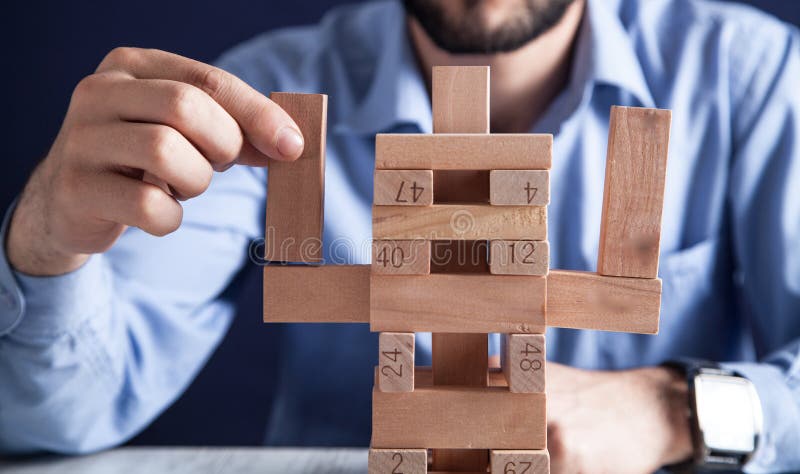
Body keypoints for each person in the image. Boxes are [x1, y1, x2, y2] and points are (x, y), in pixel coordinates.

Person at [0, 0, 798, 471]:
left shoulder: (749, 74)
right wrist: (48, 246)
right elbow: (62, 416)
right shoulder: (264, 102)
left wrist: (677, 408)